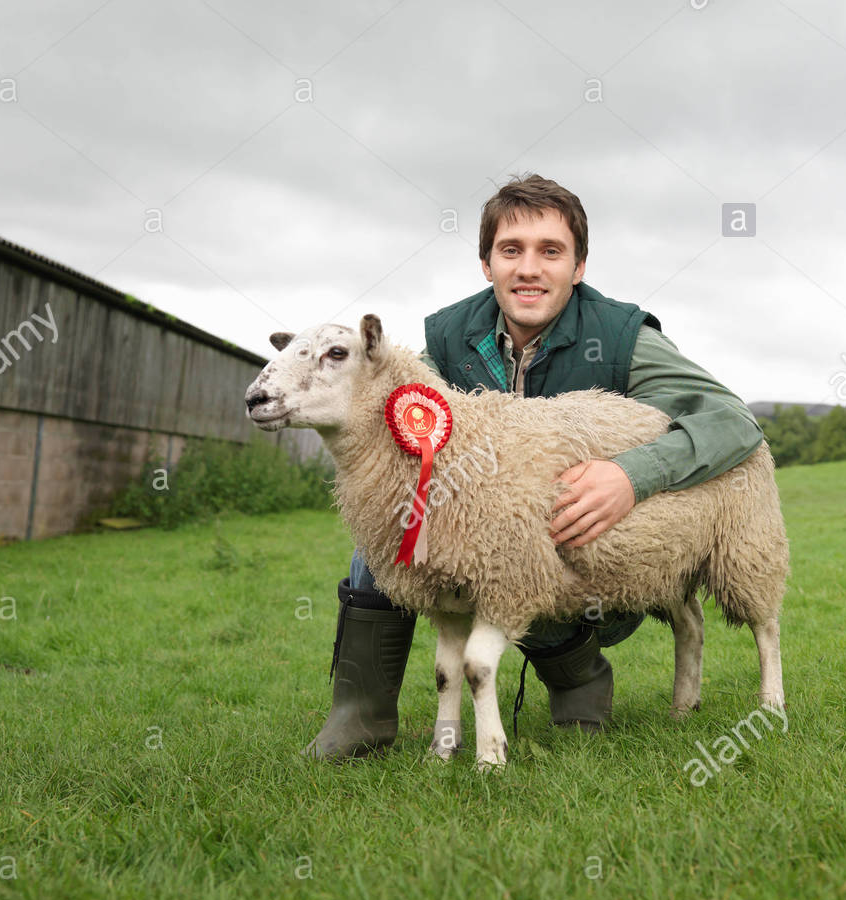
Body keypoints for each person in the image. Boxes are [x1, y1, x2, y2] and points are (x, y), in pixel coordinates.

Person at [308, 174, 766, 759]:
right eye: (511, 251)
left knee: (530, 537)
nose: (529, 268)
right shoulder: (446, 340)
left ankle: (578, 674)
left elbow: (733, 421)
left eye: (551, 251)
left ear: (578, 267)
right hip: (490, 541)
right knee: (398, 530)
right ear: (486, 263)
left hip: (595, 553)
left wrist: (633, 475)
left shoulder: (622, 338)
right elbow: (393, 429)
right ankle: (360, 713)